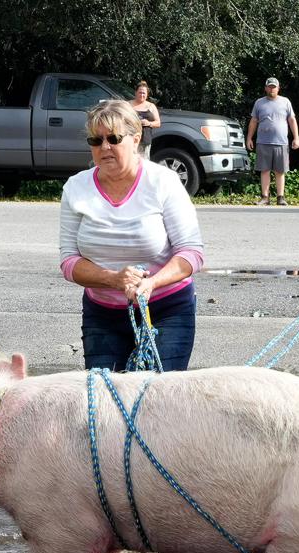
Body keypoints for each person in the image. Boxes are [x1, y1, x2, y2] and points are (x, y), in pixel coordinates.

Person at [59, 99, 204, 372]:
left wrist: (152, 283)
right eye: (96, 140)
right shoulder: (75, 188)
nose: (104, 147)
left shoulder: (163, 181)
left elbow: (191, 253)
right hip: (102, 315)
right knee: (104, 395)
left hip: (166, 310)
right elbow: (68, 262)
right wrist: (113, 279)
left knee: (159, 395)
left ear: (136, 138)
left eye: (113, 138)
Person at [246, 77, 299, 206]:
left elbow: (292, 120)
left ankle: (280, 198)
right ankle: (265, 198)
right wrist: (249, 138)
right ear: (265, 88)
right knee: (264, 170)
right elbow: (254, 121)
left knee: (280, 171)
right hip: (263, 142)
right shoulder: (259, 103)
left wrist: (296, 137)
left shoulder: (285, 102)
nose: (272, 89)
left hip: (281, 142)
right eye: (269, 87)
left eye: (274, 87)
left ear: (278, 88)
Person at [130, 80, 161, 160]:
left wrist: (148, 123)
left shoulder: (151, 106)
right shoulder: (128, 104)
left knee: (144, 162)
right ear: (136, 92)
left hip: (145, 140)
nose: (142, 95)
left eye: (144, 93)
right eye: (140, 92)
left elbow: (158, 123)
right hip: (130, 139)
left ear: (147, 94)